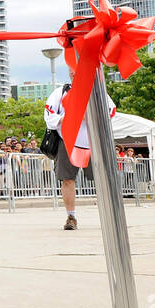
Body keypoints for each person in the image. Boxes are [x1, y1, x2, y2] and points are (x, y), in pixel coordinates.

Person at [44, 74, 114, 229]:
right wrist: (67, 118)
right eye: (73, 71)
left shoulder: (98, 92)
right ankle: (71, 216)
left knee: (102, 179)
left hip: (93, 142)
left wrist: (90, 117)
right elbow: (49, 115)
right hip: (68, 141)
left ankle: (109, 215)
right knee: (67, 179)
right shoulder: (60, 92)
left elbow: (111, 111)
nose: (76, 74)